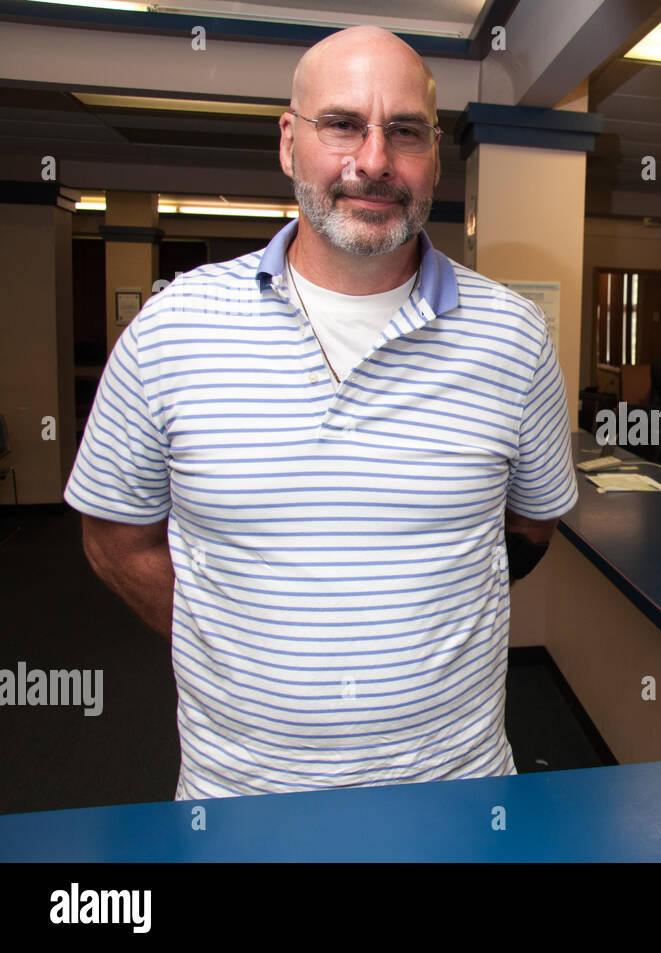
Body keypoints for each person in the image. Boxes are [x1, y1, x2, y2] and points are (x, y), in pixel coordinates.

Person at [65, 26, 578, 800]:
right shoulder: (171, 329)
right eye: (342, 124)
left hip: (454, 796)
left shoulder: (512, 336)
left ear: (435, 156)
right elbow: (115, 538)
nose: (373, 160)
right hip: (243, 801)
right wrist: (232, 646)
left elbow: (531, 524)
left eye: (405, 131)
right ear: (288, 142)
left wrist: (426, 618)